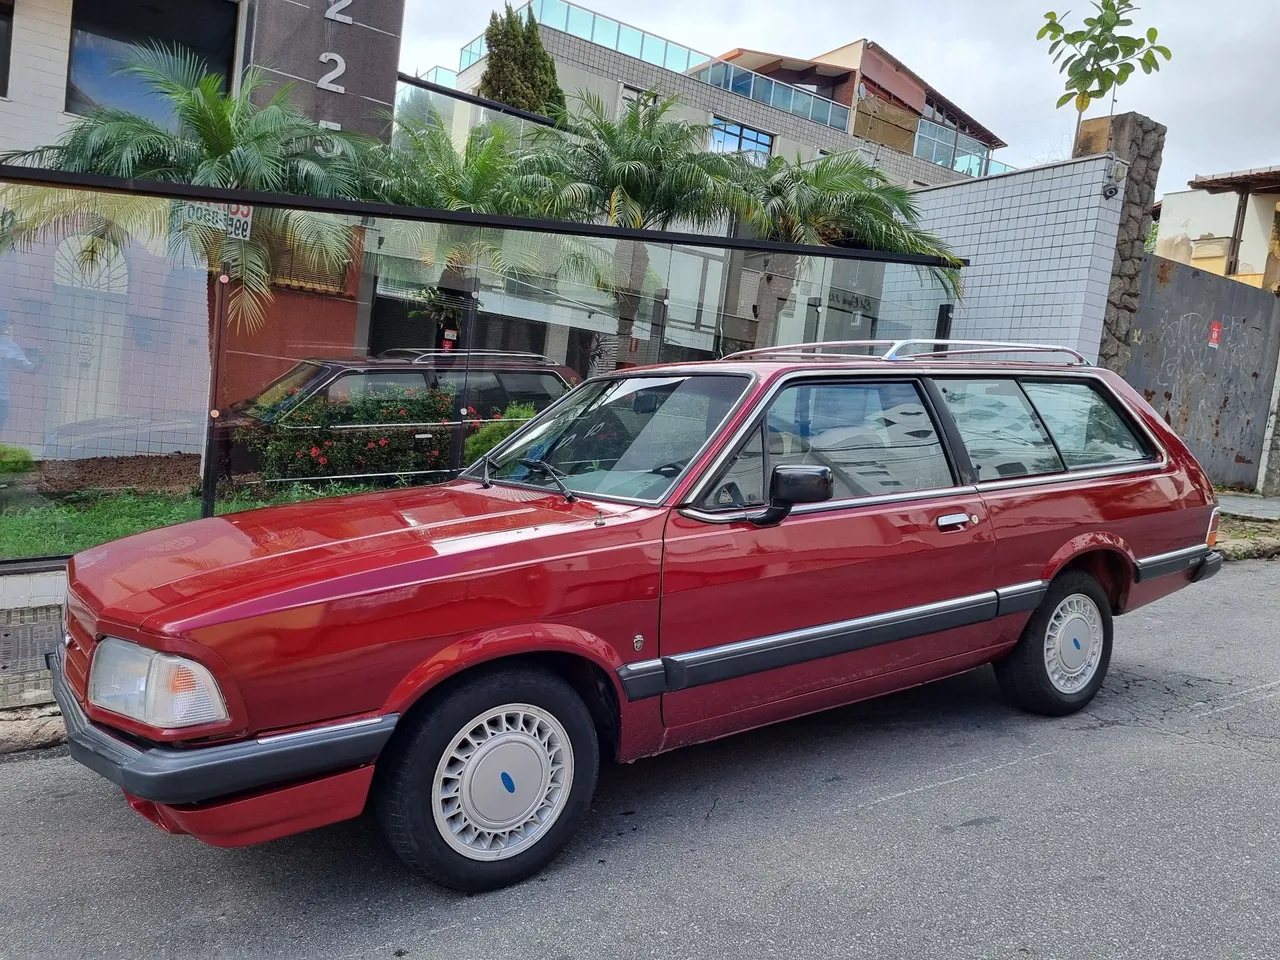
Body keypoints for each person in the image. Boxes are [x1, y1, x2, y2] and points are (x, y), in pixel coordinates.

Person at [0, 312, 42, 432]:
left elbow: (30, 369)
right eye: (5, 323)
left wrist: (39, 362)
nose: (8, 326)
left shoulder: (10, 346)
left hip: (2, 397)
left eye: (8, 323)